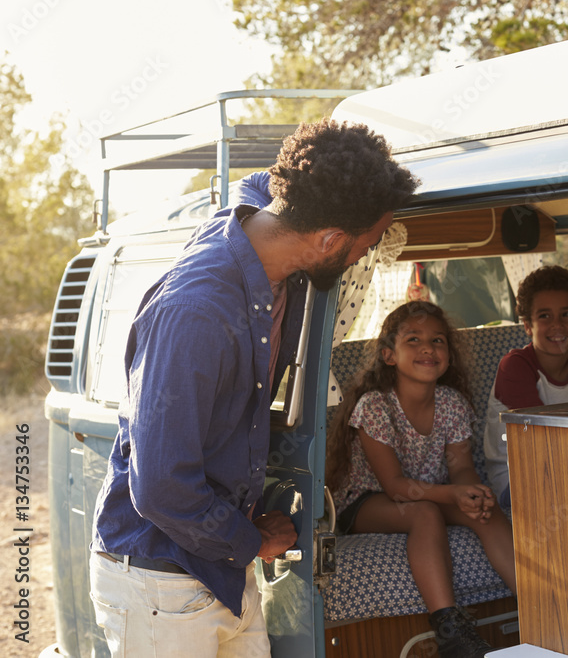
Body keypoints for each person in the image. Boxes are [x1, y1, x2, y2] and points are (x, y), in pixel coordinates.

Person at [89, 120, 419, 657]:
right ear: (330, 240)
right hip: (162, 581)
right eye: (366, 243)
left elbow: (268, 186)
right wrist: (252, 541)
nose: (366, 255)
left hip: (218, 563)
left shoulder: (269, 229)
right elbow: (161, 487)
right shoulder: (196, 312)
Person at [326, 301, 517, 658]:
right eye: (413, 339)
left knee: (484, 512)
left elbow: (460, 469)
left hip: (433, 494)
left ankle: (537, 604)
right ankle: (451, 632)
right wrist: (452, 492)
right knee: (424, 513)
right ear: (389, 355)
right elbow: (396, 486)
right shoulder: (374, 407)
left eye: (438, 341)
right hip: (369, 502)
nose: (428, 347)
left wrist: (472, 492)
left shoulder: (452, 404)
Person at [483, 265, 568, 511]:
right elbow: (538, 441)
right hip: (517, 479)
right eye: (544, 316)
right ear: (527, 326)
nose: (557, 325)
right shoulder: (515, 366)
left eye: (567, 315)